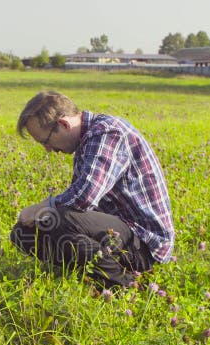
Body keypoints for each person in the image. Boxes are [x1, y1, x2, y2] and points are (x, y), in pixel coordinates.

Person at [10, 90, 175, 289]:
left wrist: (44, 205)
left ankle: (125, 285)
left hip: (143, 244)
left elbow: (84, 197)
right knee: (22, 233)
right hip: (117, 230)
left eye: (45, 141)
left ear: (63, 124)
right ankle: (91, 273)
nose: (47, 149)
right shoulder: (88, 141)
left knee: (58, 217)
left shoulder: (108, 133)